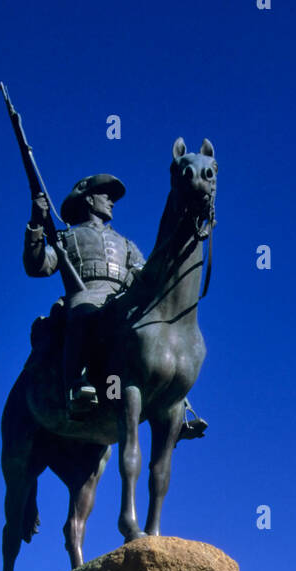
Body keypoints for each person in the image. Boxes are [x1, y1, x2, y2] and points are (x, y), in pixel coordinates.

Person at [23, 174, 207, 439]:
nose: (111, 201)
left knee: (158, 333)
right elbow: (37, 266)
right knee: (83, 313)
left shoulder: (125, 243)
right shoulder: (68, 237)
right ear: (88, 199)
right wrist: (36, 225)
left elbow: (143, 274)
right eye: (105, 195)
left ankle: (176, 404)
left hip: (120, 298)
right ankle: (75, 384)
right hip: (84, 294)